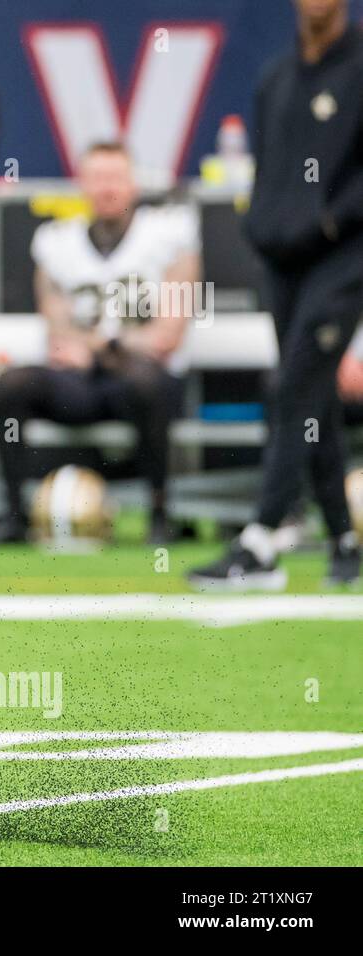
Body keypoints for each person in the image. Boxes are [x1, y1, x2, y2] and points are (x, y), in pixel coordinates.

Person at [188, 0, 363, 591]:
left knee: (292, 386)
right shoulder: (276, 77)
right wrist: (261, 227)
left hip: (344, 258)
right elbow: (267, 171)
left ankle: (262, 539)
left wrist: (334, 223)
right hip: (283, 262)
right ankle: (343, 540)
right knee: (314, 402)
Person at [0, 142, 198, 546]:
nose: (107, 189)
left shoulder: (171, 234)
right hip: (82, 381)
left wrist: (99, 347)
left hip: (142, 380)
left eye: (116, 178)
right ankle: (13, 515)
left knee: (146, 382)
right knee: (12, 384)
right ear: (82, 185)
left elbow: (168, 335)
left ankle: (159, 512)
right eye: (98, 179)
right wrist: (107, 347)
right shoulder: (56, 241)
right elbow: (56, 327)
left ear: (134, 183)